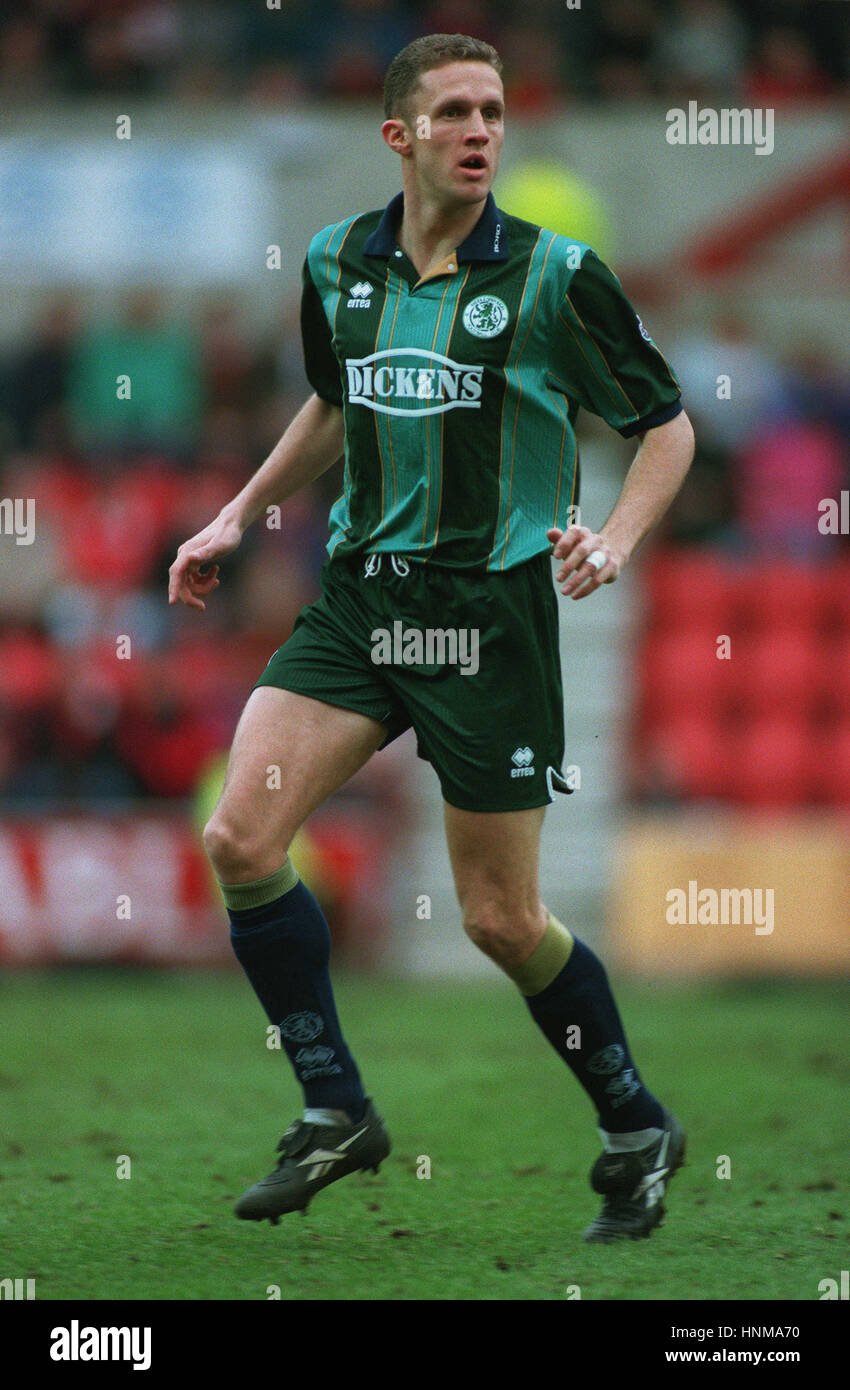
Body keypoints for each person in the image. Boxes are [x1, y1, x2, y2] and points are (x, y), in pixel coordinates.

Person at [168, 33, 695, 1244]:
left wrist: (610, 539)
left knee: (499, 920)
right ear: (397, 134)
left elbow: (664, 428)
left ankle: (629, 1121)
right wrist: (238, 513)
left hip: (490, 615)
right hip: (363, 598)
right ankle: (335, 1107)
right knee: (241, 835)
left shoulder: (559, 275)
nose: (479, 131)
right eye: (453, 110)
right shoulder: (337, 258)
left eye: (494, 111)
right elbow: (334, 399)